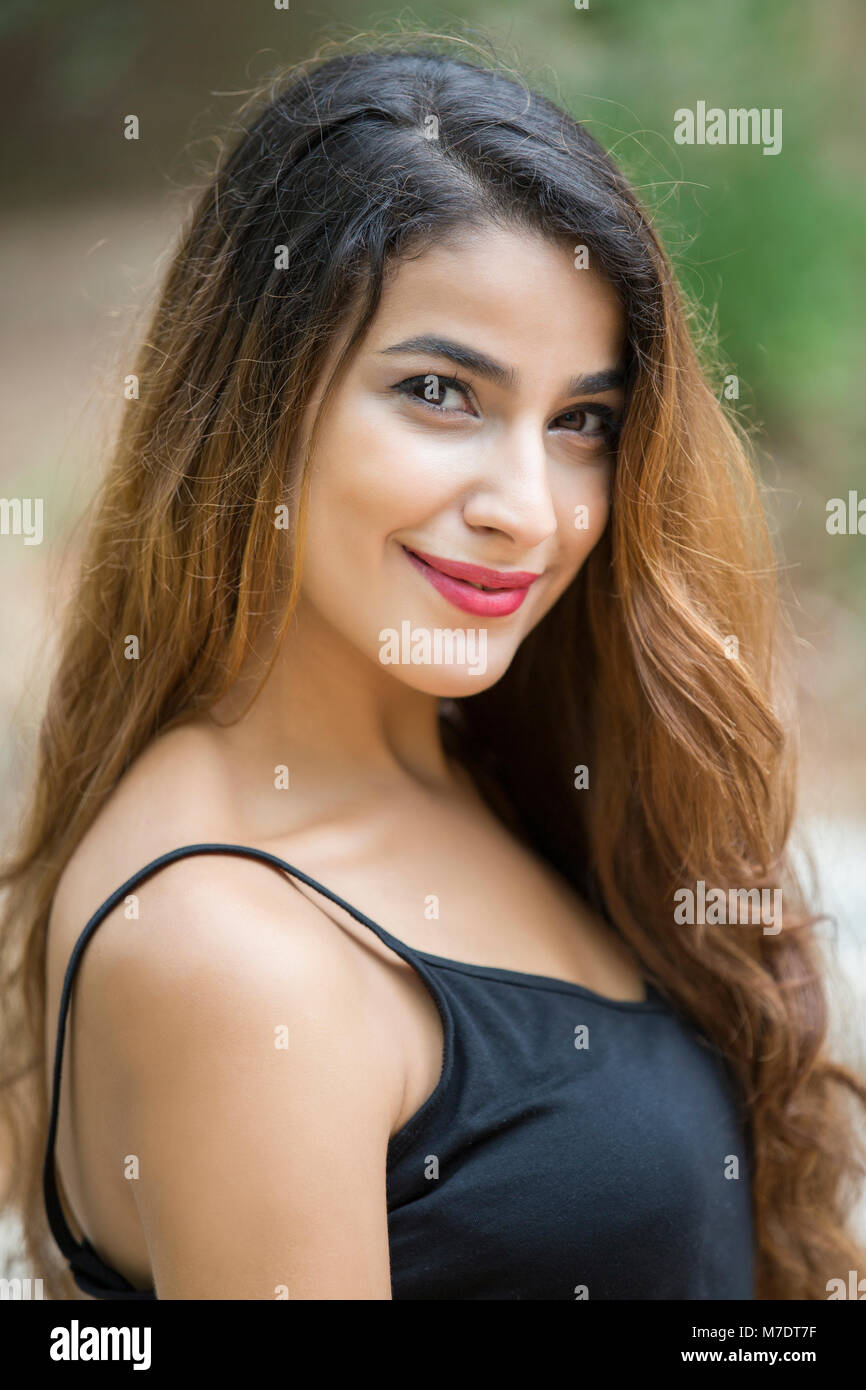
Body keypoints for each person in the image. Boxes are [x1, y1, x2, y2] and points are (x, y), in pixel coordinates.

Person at [2, 38, 865, 1301]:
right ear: (259, 395)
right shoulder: (227, 954)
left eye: (581, 421)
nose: (530, 507)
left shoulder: (499, 752)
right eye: (440, 392)